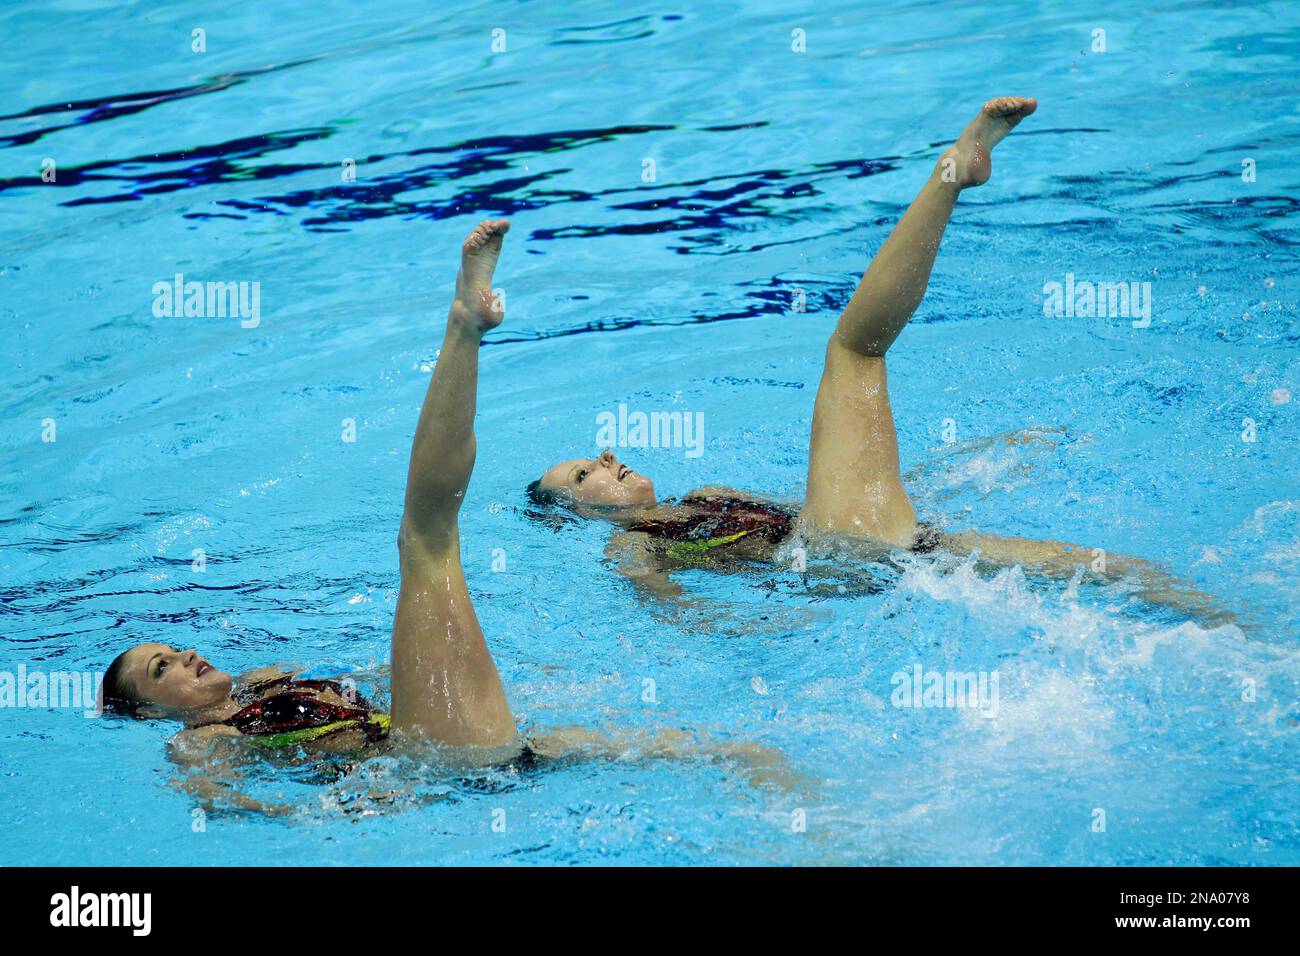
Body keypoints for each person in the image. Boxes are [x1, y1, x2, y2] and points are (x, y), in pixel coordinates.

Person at [100, 220, 792, 813]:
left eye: (172, 650)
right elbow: (226, 807)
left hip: (463, 747)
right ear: (148, 711)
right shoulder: (198, 741)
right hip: (433, 762)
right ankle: (465, 328)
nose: (186, 654)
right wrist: (349, 808)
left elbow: (377, 688)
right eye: (163, 669)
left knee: (728, 753)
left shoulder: (270, 680)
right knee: (425, 540)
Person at [524, 97, 1234, 627]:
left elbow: (830, 488)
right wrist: (759, 633)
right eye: (582, 473)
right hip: (833, 561)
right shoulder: (629, 548)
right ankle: (951, 175)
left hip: (864, 543)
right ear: (575, 514)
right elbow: (673, 612)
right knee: (854, 350)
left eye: (591, 454)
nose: (606, 454)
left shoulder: (707, 491)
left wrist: (944, 476)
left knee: (1109, 570)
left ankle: (1242, 633)